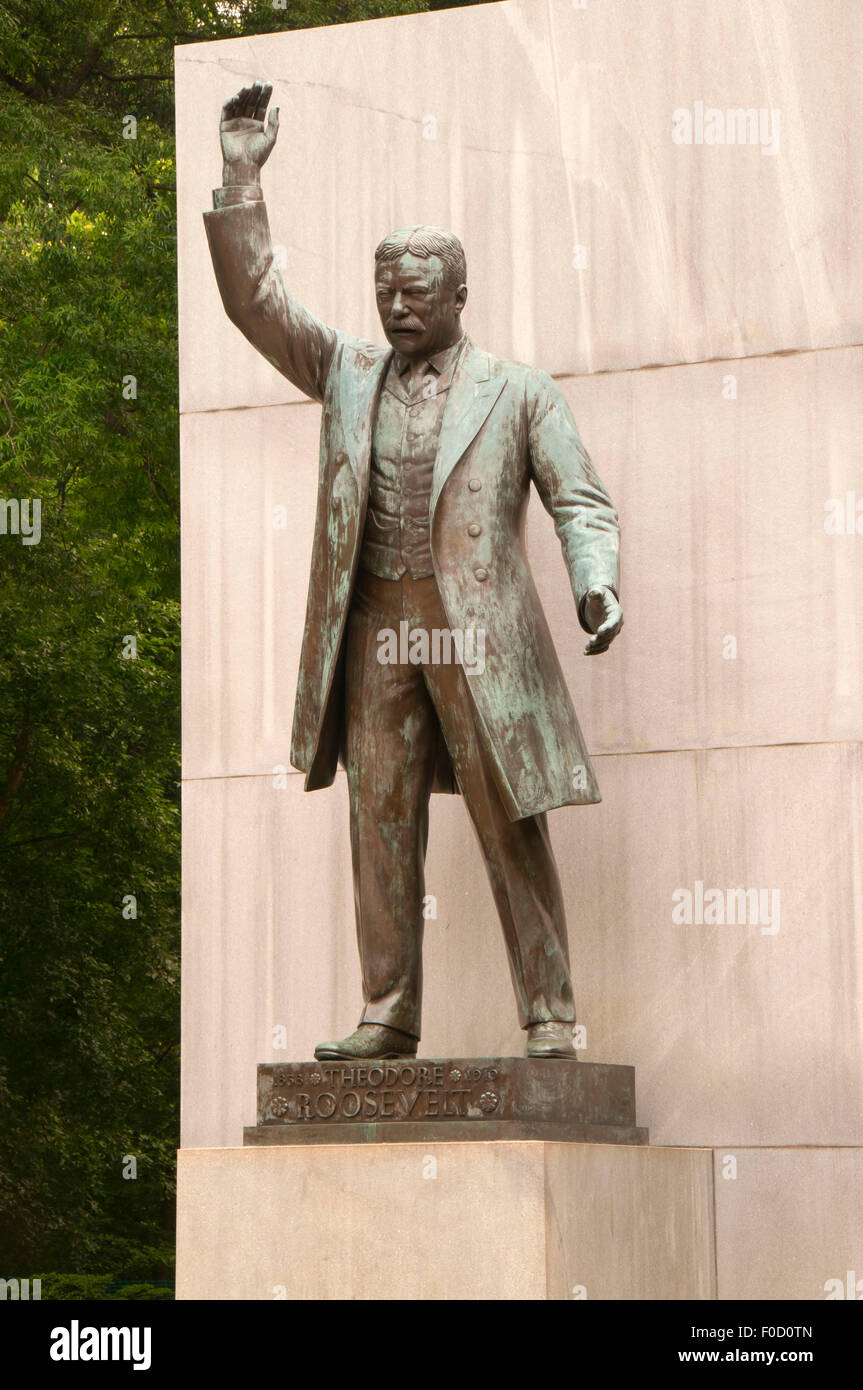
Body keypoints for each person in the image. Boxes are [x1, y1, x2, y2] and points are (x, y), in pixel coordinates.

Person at [204, 83, 623, 1062]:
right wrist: (240, 175)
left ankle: (550, 1013)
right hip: (375, 629)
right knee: (378, 820)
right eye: (385, 289)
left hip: (475, 633)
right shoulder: (345, 369)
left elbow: (579, 499)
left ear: (457, 296)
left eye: (415, 292)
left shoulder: (519, 393)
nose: (395, 305)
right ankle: (387, 1009)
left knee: (506, 818)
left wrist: (593, 578)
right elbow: (254, 302)